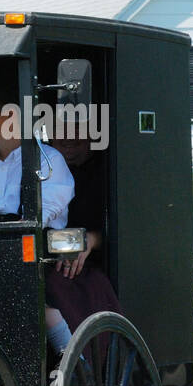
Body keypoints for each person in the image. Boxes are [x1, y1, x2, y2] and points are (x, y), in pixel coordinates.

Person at [0, 86, 77, 353]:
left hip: (35, 255)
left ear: (10, 115)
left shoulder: (49, 159)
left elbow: (44, 209)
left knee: (37, 297)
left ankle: (73, 362)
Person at [45, 122, 123, 327]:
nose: (68, 138)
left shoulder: (110, 173)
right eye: (60, 129)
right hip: (48, 261)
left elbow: (128, 227)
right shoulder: (40, 172)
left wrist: (93, 239)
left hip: (91, 267)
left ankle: (77, 355)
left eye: (76, 128)